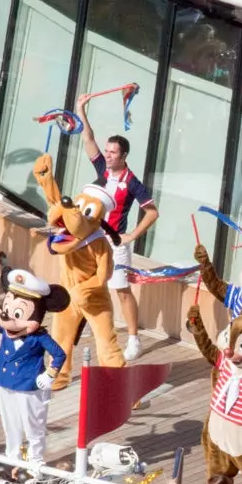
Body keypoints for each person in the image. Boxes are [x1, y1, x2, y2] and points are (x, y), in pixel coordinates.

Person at [74, 90, 158, 362]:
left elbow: (152, 212)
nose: (107, 156)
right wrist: (81, 109)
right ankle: (83, 323)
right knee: (87, 282)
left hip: (117, 242)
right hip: (95, 237)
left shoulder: (132, 181)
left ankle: (134, 339)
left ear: (124, 156)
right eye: (107, 151)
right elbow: (88, 137)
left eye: (113, 153)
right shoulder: (103, 170)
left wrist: (132, 234)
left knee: (121, 290)